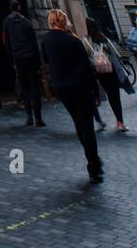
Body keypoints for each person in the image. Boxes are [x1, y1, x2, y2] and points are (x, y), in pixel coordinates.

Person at [41, 9, 103, 183]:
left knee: (78, 123)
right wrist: (96, 91)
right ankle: (94, 166)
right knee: (87, 126)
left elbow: (45, 60)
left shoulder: (46, 40)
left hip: (62, 87)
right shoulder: (74, 40)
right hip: (80, 87)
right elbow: (87, 68)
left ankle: (93, 161)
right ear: (64, 21)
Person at [2, 0, 44, 127]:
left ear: (10, 8)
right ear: (19, 7)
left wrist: (12, 61)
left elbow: (7, 43)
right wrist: (39, 62)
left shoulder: (6, 22)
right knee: (35, 89)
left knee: (24, 88)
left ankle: (29, 117)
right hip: (31, 59)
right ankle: (38, 118)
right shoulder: (26, 22)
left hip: (18, 59)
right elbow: (34, 43)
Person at [82, 17, 129, 132]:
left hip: (98, 73)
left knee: (100, 94)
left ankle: (98, 120)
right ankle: (120, 122)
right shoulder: (104, 39)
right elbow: (116, 54)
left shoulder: (86, 41)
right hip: (110, 71)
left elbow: (86, 57)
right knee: (115, 97)